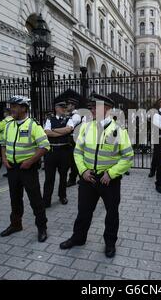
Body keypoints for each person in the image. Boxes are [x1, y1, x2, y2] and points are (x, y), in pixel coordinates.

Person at [60, 94, 134, 258]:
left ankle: (110, 243)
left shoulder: (119, 131)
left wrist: (111, 173)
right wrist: (83, 171)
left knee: (112, 214)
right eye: (91, 107)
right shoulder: (86, 127)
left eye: (95, 107)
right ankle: (78, 238)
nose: (91, 110)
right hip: (88, 179)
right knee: (83, 212)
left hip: (110, 181)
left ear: (106, 109)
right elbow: (78, 152)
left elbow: (128, 157)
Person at [0, 96, 50, 243]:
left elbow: (45, 146)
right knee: (15, 199)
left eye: (15, 106)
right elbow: (3, 143)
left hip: (27, 169)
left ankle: (42, 228)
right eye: (11, 106)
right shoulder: (9, 125)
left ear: (24, 108)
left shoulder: (33, 125)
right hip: (12, 169)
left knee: (35, 200)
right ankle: (16, 225)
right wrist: (4, 159)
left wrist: (30, 161)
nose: (12, 109)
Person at [43, 101, 75, 207]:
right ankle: (46, 200)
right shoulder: (49, 119)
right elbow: (47, 132)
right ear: (56, 108)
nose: (64, 109)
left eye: (65, 108)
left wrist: (54, 130)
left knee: (63, 176)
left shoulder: (69, 119)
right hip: (51, 152)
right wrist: (62, 131)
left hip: (64, 151)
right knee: (49, 178)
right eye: (61, 107)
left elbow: (69, 129)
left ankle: (62, 196)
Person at [66, 98, 83, 187]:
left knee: (74, 161)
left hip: (74, 141)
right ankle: (79, 178)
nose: (67, 106)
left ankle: (74, 179)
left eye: (68, 105)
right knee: (73, 161)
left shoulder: (75, 116)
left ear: (73, 106)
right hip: (71, 140)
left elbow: (69, 127)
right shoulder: (70, 115)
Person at [0, 108, 14, 178]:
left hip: (3, 142)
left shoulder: (5, 121)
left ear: (7, 113)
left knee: (2, 157)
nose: (3, 113)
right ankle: (9, 171)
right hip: (11, 141)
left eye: (4, 112)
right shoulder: (13, 119)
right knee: (9, 156)